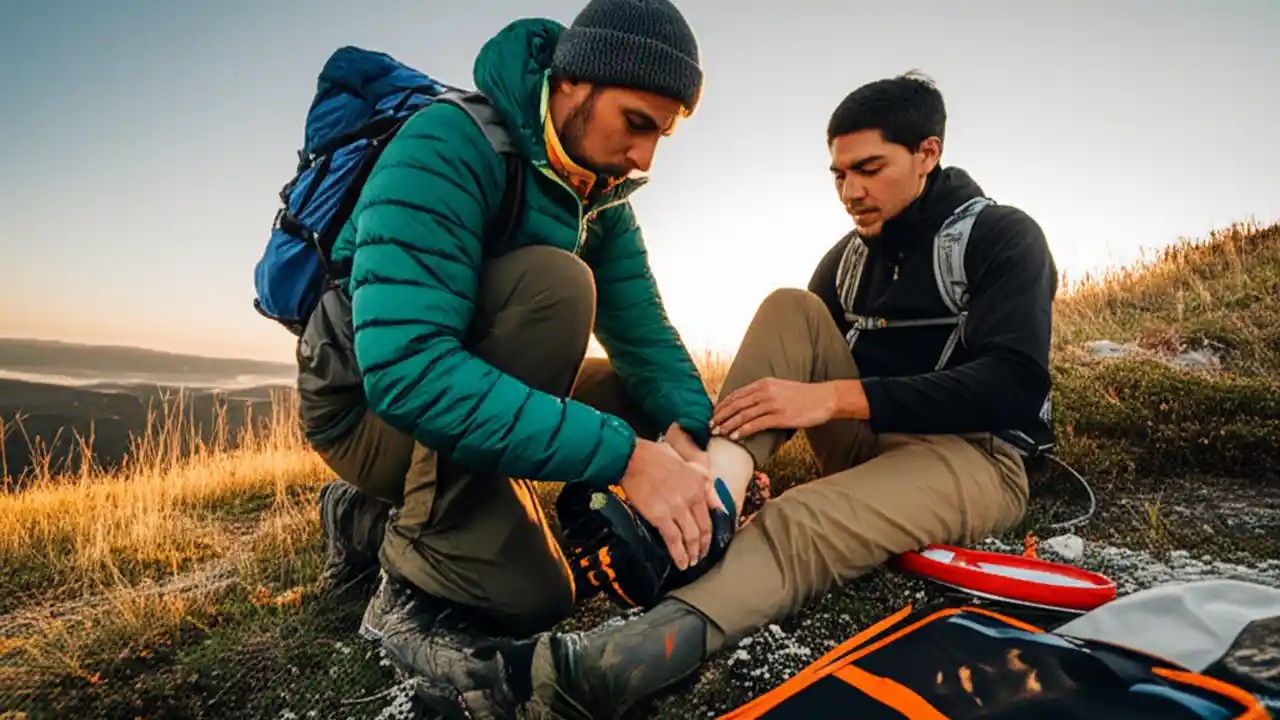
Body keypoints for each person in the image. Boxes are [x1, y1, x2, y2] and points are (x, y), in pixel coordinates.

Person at [458, 71, 1061, 718]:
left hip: (974, 458)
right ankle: (716, 498)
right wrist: (747, 456)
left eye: (869, 168)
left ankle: (610, 667)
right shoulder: (847, 260)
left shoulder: (1002, 236)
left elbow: (1015, 387)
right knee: (790, 306)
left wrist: (833, 400)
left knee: (801, 518)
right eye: (838, 175)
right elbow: (796, 360)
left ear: (927, 154)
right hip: (868, 446)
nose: (850, 192)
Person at [298, 0, 727, 693]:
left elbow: (644, 334)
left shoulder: (601, 192)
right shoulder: (444, 145)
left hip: (460, 387)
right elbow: (408, 372)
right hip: (368, 415)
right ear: (573, 84)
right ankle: (407, 587)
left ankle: (366, 514)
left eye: (663, 135)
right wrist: (625, 458)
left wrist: (690, 439)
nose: (646, 156)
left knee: (638, 399)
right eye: (637, 124)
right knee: (538, 599)